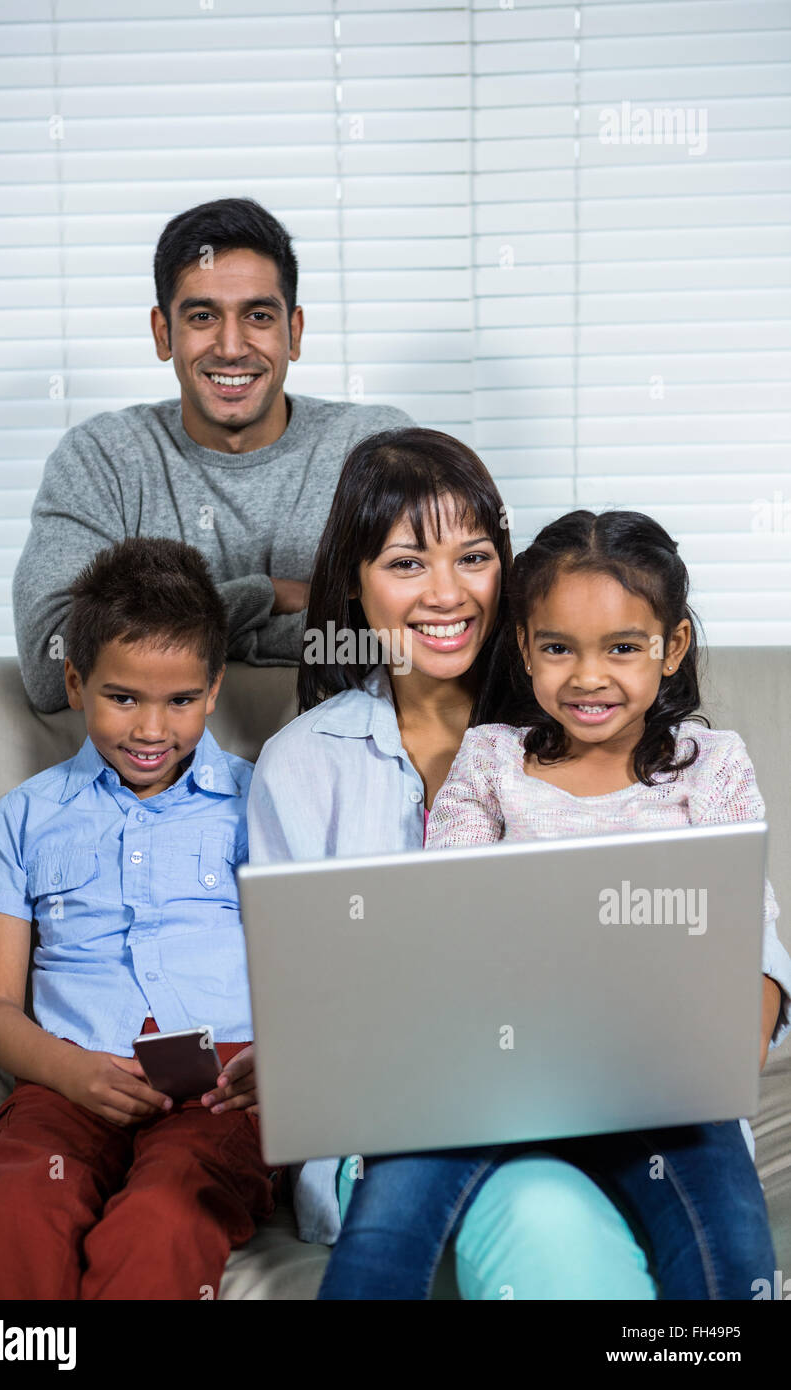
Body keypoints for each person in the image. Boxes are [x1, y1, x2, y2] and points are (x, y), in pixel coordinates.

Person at [317, 508, 791, 1300]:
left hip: (662, 1084)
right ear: (526, 649)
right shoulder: (492, 759)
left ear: (671, 648)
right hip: (502, 1070)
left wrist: (737, 1036)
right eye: (559, 648)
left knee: (732, 1258)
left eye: (624, 648)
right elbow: (448, 912)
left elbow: (749, 936)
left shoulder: (712, 767)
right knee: (387, 1213)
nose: (589, 677)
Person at [248, 431, 659, 1299]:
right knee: (541, 1209)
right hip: (400, 1131)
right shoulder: (300, 766)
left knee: (564, 1190)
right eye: (405, 563)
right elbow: (305, 1010)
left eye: (473, 557)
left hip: (594, 1101)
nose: (447, 593)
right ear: (353, 587)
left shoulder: (589, 719)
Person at [0, 538, 273, 1299]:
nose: (151, 730)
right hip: (66, 1082)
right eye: (123, 698)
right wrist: (69, 1071)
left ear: (213, 690)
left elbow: (307, 970)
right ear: (76, 681)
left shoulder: (261, 802)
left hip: (218, 1090)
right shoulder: (23, 818)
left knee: (162, 1218)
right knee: (7, 1217)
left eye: (180, 700)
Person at [13, 197, 412, 712]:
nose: (230, 346)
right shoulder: (102, 459)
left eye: (258, 315)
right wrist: (264, 594)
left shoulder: (376, 448)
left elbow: (416, 641)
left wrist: (210, 628)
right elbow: (54, 664)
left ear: (293, 332)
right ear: (163, 333)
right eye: (202, 316)